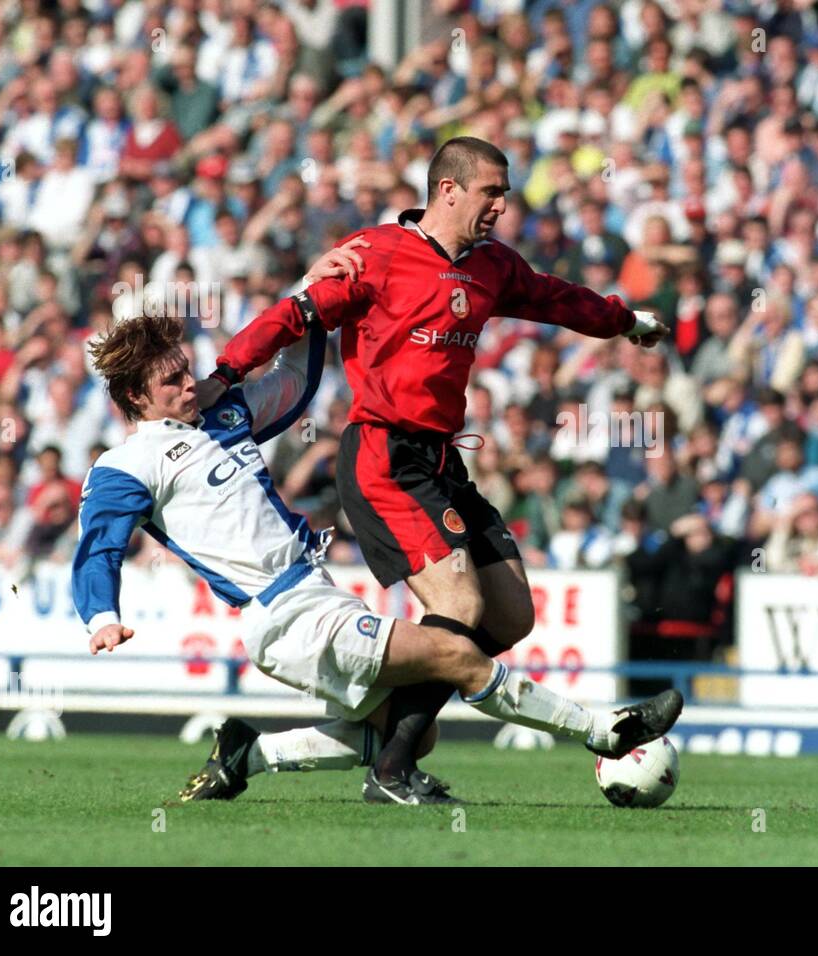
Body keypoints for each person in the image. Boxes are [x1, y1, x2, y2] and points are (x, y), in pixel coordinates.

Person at [198, 136, 671, 804]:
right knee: (459, 605)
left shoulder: (491, 266)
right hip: (383, 453)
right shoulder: (374, 254)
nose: (502, 207)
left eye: (504, 195)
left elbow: (556, 299)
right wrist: (225, 373)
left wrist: (624, 322)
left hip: (443, 458)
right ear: (447, 190)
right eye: (491, 193)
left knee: (507, 618)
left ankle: (306, 751)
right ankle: (393, 769)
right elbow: (294, 315)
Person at [72, 314, 682, 805]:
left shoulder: (222, 417)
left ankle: (246, 755)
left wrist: (311, 299)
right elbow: (98, 546)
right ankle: (606, 730)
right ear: (135, 397)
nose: (189, 384)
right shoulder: (127, 465)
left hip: (319, 592)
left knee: (412, 733)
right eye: (172, 382)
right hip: (283, 616)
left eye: (186, 370)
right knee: (455, 655)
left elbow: (296, 376)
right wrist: (101, 617)